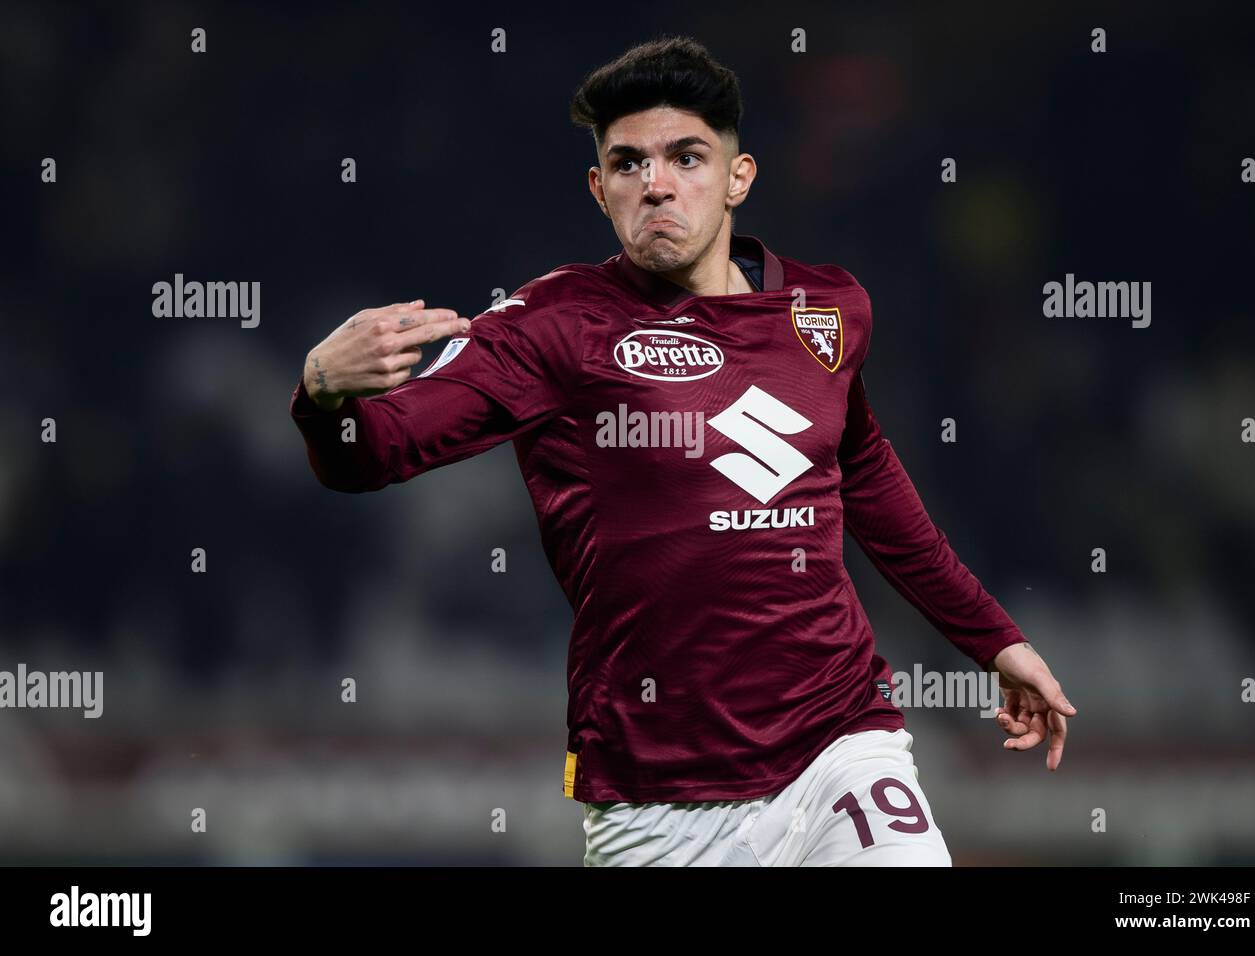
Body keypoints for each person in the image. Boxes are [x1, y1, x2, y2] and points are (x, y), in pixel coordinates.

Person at [289, 36, 1076, 866]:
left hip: (839, 744)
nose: (655, 183)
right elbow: (370, 459)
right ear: (599, 190)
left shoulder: (829, 311)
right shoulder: (552, 326)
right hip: (659, 797)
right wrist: (323, 390)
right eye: (627, 164)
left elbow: (868, 479)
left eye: (685, 157)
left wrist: (994, 639)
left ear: (739, 178)